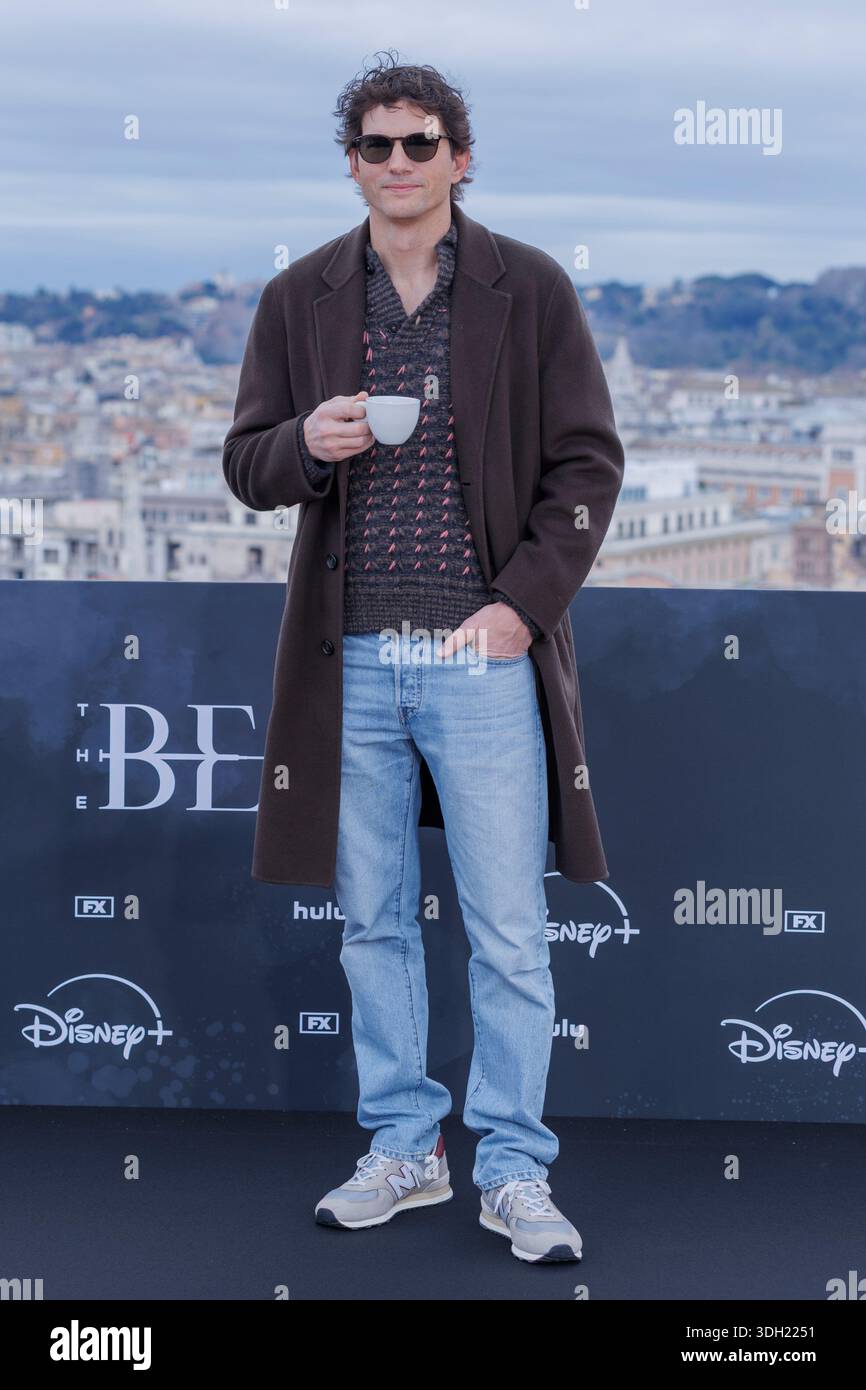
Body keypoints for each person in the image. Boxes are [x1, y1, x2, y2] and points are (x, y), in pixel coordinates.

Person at [222, 52, 624, 1264]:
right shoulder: (299, 297)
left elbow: (586, 468)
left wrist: (516, 609)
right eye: (373, 145)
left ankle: (511, 1167)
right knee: (373, 926)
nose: (395, 163)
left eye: (417, 143)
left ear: (459, 154)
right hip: (346, 661)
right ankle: (404, 1148)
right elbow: (246, 464)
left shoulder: (528, 287)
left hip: (476, 653)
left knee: (505, 928)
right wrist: (306, 440)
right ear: (350, 163)